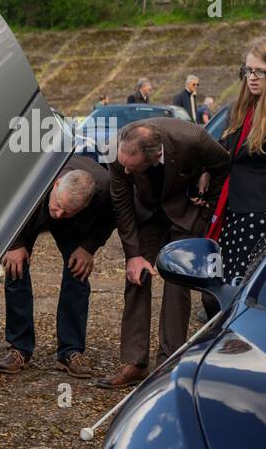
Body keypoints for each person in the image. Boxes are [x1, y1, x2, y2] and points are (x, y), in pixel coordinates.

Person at [97, 118, 231, 389]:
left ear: (155, 155)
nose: (124, 168)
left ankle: (169, 363)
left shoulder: (192, 138)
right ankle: (134, 362)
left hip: (186, 212)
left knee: (177, 282)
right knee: (136, 277)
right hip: (147, 212)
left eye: (130, 166)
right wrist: (133, 255)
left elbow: (223, 166)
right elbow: (121, 202)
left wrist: (206, 213)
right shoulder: (117, 151)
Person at [0, 158, 115, 378]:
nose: (57, 215)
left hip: (73, 224)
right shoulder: (31, 175)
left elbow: (109, 219)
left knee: (78, 272)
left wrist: (88, 247)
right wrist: (15, 244)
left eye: (66, 211)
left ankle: (70, 352)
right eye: (58, 207)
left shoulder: (105, 187)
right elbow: (1, 202)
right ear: (57, 184)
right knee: (15, 268)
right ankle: (19, 348)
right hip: (27, 215)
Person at [207, 40, 266, 285]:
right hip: (234, 216)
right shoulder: (239, 111)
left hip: (260, 219)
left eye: (259, 71)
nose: (251, 77)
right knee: (230, 288)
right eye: (248, 70)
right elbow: (221, 150)